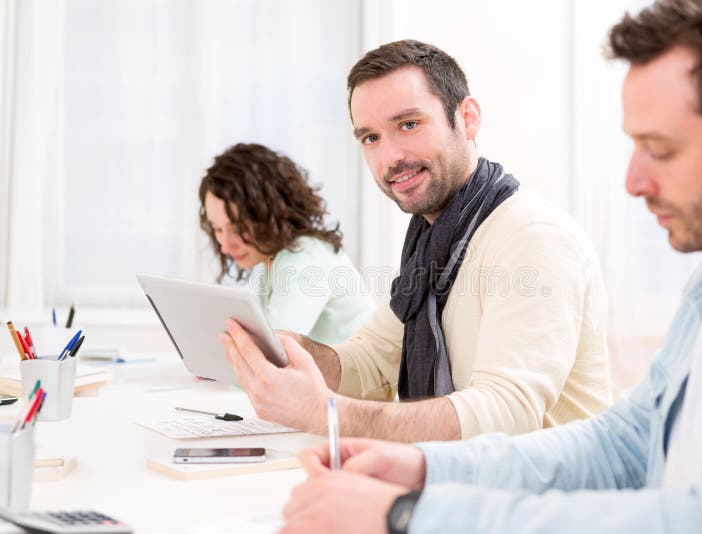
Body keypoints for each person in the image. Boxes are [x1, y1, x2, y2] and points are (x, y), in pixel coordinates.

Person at [279, 0, 702, 532]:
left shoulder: (532, 238)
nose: (633, 181)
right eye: (371, 137)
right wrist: (424, 467)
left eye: (660, 150)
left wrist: (409, 511)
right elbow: (626, 443)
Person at [219, 41, 611, 441]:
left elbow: (506, 414)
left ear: (468, 118)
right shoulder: (434, 239)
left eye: (408, 124)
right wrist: (289, 348)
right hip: (464, 483)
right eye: (370, 137)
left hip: (539, 497)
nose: (390, 157)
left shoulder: (531, 237)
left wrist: (329, 414)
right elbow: (371, 363)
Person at [199, 143, 373, 345]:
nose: (226, 247)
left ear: (271, 212)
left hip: (367, 376)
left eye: (238, 228)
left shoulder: (305, 257)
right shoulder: (271, 262)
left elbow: (276, 351)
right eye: (218, 229)